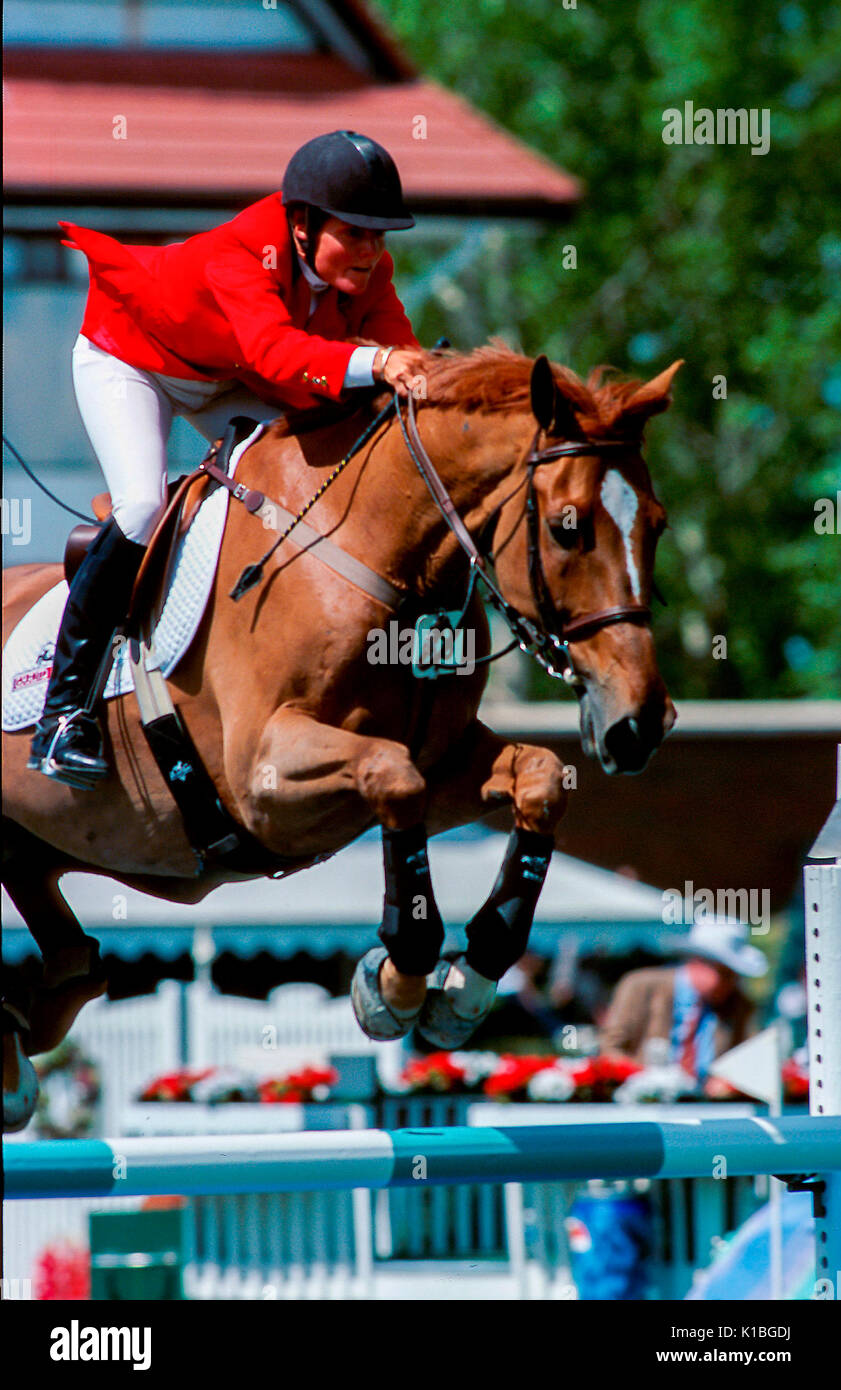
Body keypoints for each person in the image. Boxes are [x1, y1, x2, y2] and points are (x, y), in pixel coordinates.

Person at [29, 130, 424, 789]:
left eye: (379, 237)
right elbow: (277, 354)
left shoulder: (367, 275)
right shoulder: (244, 250)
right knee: (143, 506)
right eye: (353, 234)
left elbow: (401, 354)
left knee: (315, 473)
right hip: (132, 359)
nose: (370, 252)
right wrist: (380, 362)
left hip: (223, 377)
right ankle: (65, 714)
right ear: (301, 225)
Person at [600, 918, 768, 1091]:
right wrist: (649, 1079)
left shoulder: (740, 1006)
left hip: (708, 1107)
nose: (731, 984)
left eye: (735, 977)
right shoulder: (641, 987)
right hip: (643, 1102)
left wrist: (729, 1083)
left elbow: (752, 1060)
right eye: (725, 974)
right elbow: (610, 1049)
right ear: (697, 962)